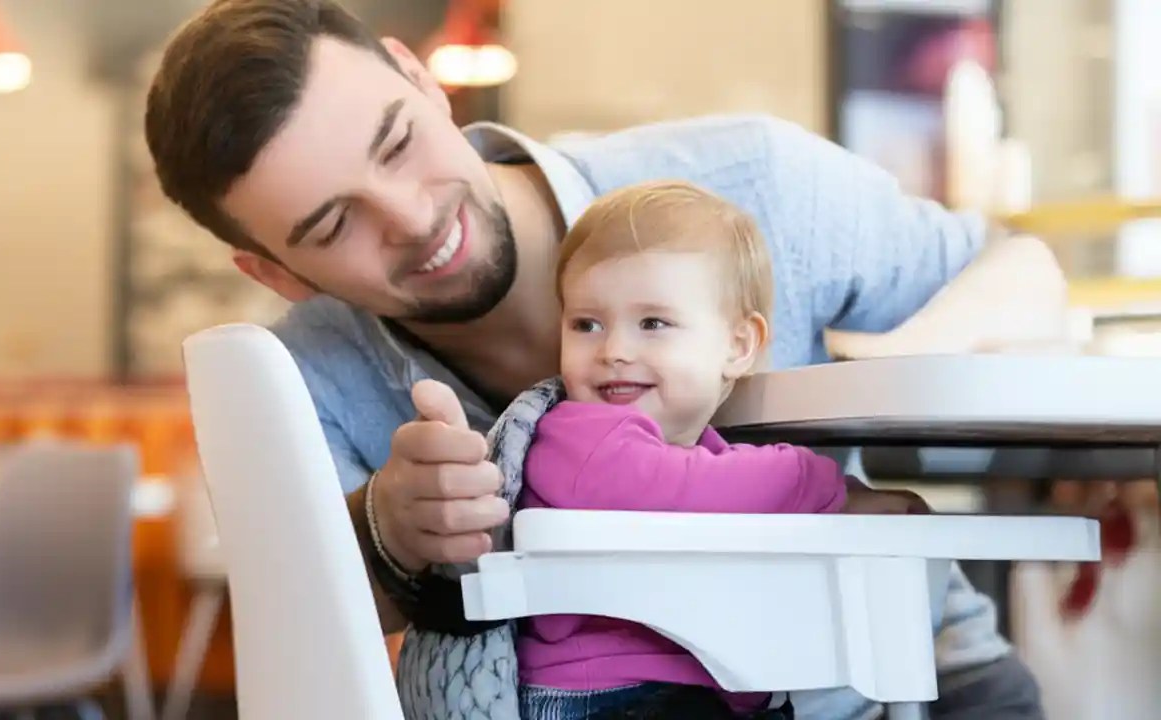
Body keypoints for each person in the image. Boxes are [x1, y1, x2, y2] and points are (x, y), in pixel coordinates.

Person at [143, 1, 1059, 716]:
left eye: (397, 142)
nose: (413, 218)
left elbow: (1021, 266)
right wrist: (387, 533)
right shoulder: (289, 384)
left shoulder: (757, 182)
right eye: (336, 224)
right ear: (277, 272)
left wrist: (883, 368)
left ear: (422, 80)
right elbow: (300, 633)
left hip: (920, 685)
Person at [517, 180, 928, 719]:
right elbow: (689, 488)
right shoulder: (579, 438)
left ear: (738, 346)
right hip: (605, 698)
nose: (614, 350)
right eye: (586, 324)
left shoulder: (706, 457)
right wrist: (823, 485)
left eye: (653, 323)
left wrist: (845, 504)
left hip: (678, 691)